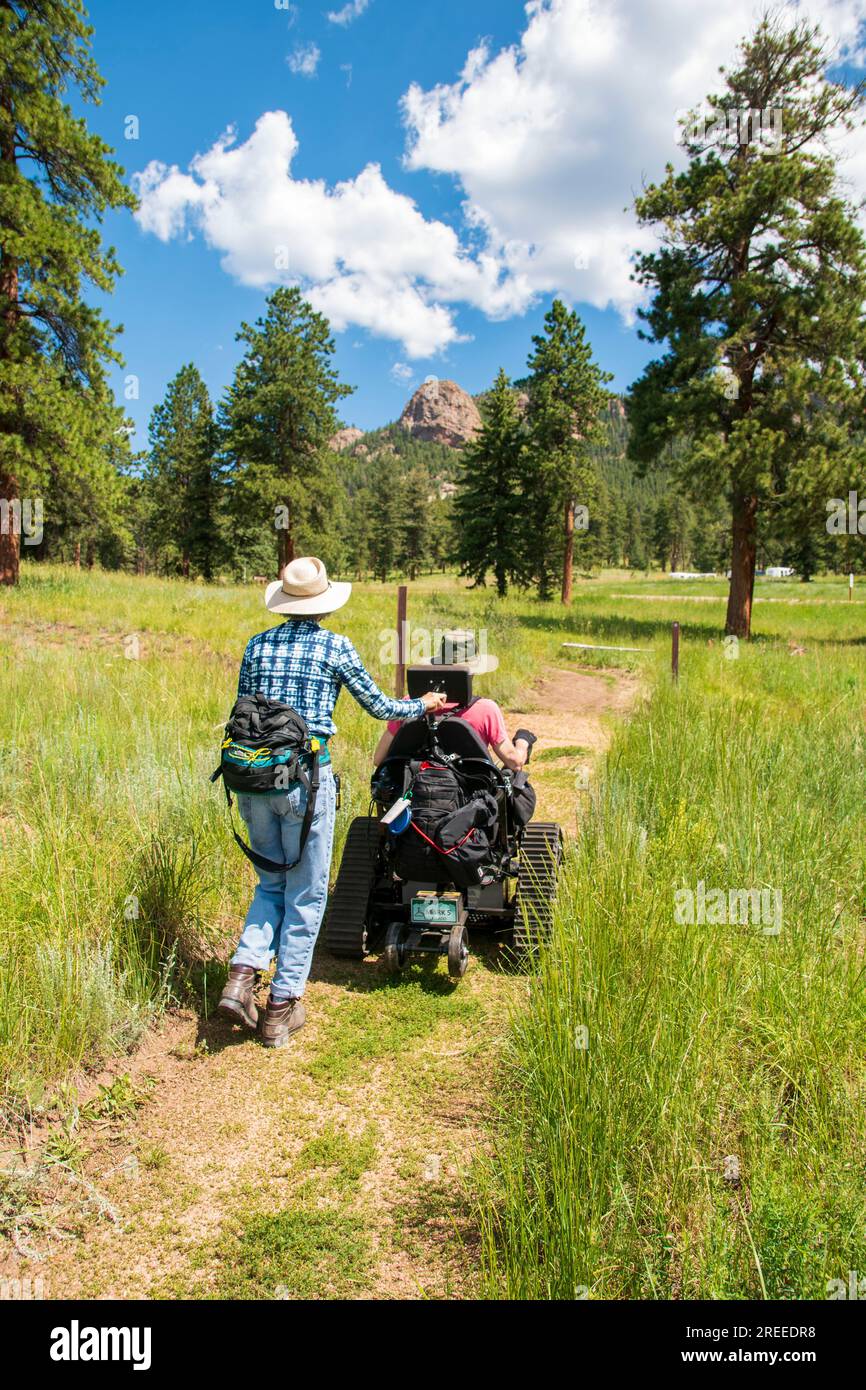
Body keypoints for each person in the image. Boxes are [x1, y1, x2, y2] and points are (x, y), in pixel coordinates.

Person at [217, 557, 446, 1047]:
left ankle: (241, 976)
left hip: (253, 780)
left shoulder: (256, 645)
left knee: (271, 882)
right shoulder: (334, 647)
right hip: (305, 781)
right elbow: (382, 708)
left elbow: (245, 712)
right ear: (323, 603)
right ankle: (281, 1006)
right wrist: (423, 705)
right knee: (306, 891)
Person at [372, 629, 531, 771]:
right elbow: (514, 763)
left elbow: (379, 759)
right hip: (469, 798)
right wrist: (523, 743)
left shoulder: (411, 704)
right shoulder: (486, 710)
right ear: (473, 673)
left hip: (416, 795)